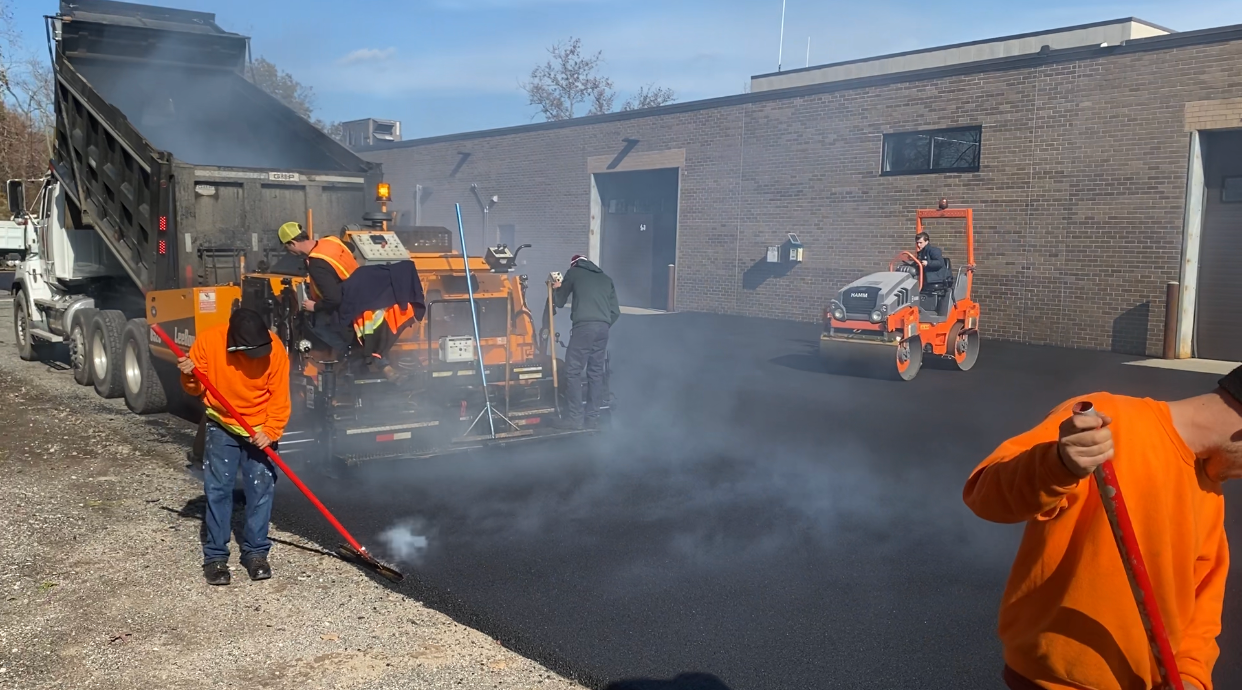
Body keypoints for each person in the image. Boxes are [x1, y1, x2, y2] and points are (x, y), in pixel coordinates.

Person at [961, 368, 1242, 690]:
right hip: (1050, 682)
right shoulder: (1104, 421)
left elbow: (1203, 605)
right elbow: (985, 495)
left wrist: (1191, 677)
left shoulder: (1209, 490)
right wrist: (1058, 465)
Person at [178, 308, 291, 586]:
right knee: (218, 491)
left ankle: (256, 553)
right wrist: (190, 375)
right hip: (223, 424)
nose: (258, 357)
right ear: (235, 346)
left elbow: (279, 395)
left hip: (260, 427)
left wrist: (271, 431)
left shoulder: (275, 348)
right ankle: (216, 557)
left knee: (261, 489)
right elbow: (195, 388)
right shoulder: (209, 342)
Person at [550, 254, 620, 430]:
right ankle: (593, 419)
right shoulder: (606, 278)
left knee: (572, 371)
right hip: (603, 328)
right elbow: (615, 312)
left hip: (584, 327)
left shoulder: (573, 273)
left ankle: (575, 419)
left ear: (574, 263)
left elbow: (559, 302)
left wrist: (556, 287)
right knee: (595, 373)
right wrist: (602, 324)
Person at [279, 221, 357, 355]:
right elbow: (350, 248)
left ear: (292, 243)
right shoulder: (331, 240)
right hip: (360, 295)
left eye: (287, 248)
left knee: (315, 323)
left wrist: (313, 306)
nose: (289, 252)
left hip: (349, 308)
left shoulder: (316, 263)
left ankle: (349, 352)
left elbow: (334, 299)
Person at [914, 231, 951, 311]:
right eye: (917, 243)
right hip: (925, 278)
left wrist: (928, 263)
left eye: (921, 242)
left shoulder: (933, 251)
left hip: (936, 277)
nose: (919, 245)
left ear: (927, 241)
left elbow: (940, 263)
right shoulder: (921, 253)